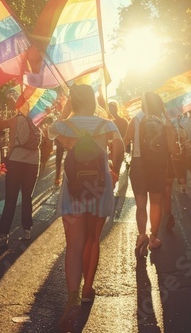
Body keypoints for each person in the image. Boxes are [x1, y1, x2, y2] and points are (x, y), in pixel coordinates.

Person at [49, 84, 124, 332]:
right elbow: (120, 147)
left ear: (73, 101)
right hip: (99, 187)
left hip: (74, 191)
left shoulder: (64, 126)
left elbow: (50, 131)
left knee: (73, 245)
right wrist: (114, 166)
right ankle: (87, 289)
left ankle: (71, 297)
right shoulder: (106, 124)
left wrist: (65, 111)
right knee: (93, 239)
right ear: (92, 100)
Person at [122, 92, 178, 255]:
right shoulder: (164, 121)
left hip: (138, 164)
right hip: (158, 166)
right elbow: (172, 149)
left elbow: (126, 139)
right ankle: (153, 239)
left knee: (140, 205)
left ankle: (141, 235)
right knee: (155, 204)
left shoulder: (136, 118)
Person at [0, 91, 42, 246]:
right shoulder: (36, 120)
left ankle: (3, 234)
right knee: (27, 197)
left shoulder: (14, 120)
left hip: (16, 160)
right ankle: (27, 229)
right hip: (33, 161)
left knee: (11, 199)